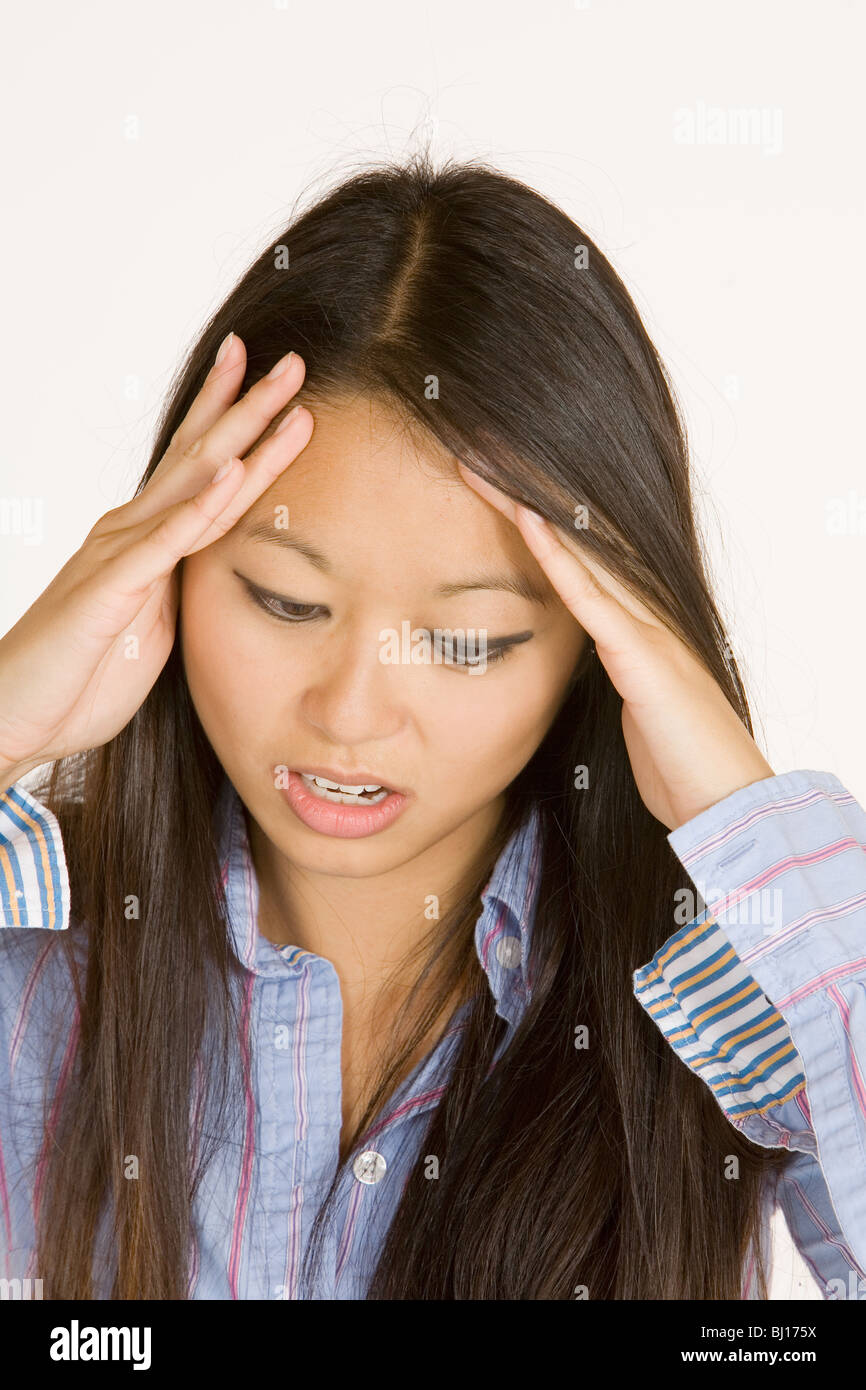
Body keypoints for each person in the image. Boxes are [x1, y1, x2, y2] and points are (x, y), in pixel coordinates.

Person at [1, 153, 864, 1301]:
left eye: (467, 642)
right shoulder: (37, 964)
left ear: (602, 655)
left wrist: (734, 812)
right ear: (161, 570)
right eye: (285, 602)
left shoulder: (721, 997)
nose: (350, 710)